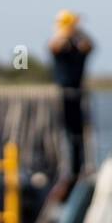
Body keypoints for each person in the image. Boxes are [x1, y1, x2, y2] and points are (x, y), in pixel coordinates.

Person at [48, 10, 94, 179]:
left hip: (78, 94)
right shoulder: (59, 43)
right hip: (62, 95)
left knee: (79, 134)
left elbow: (90, 46)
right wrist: (65, 33)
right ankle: (63, 169)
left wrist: (77, 31)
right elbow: (54, 46)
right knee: (61, 133)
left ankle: (79, 168)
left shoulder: (80, 43)